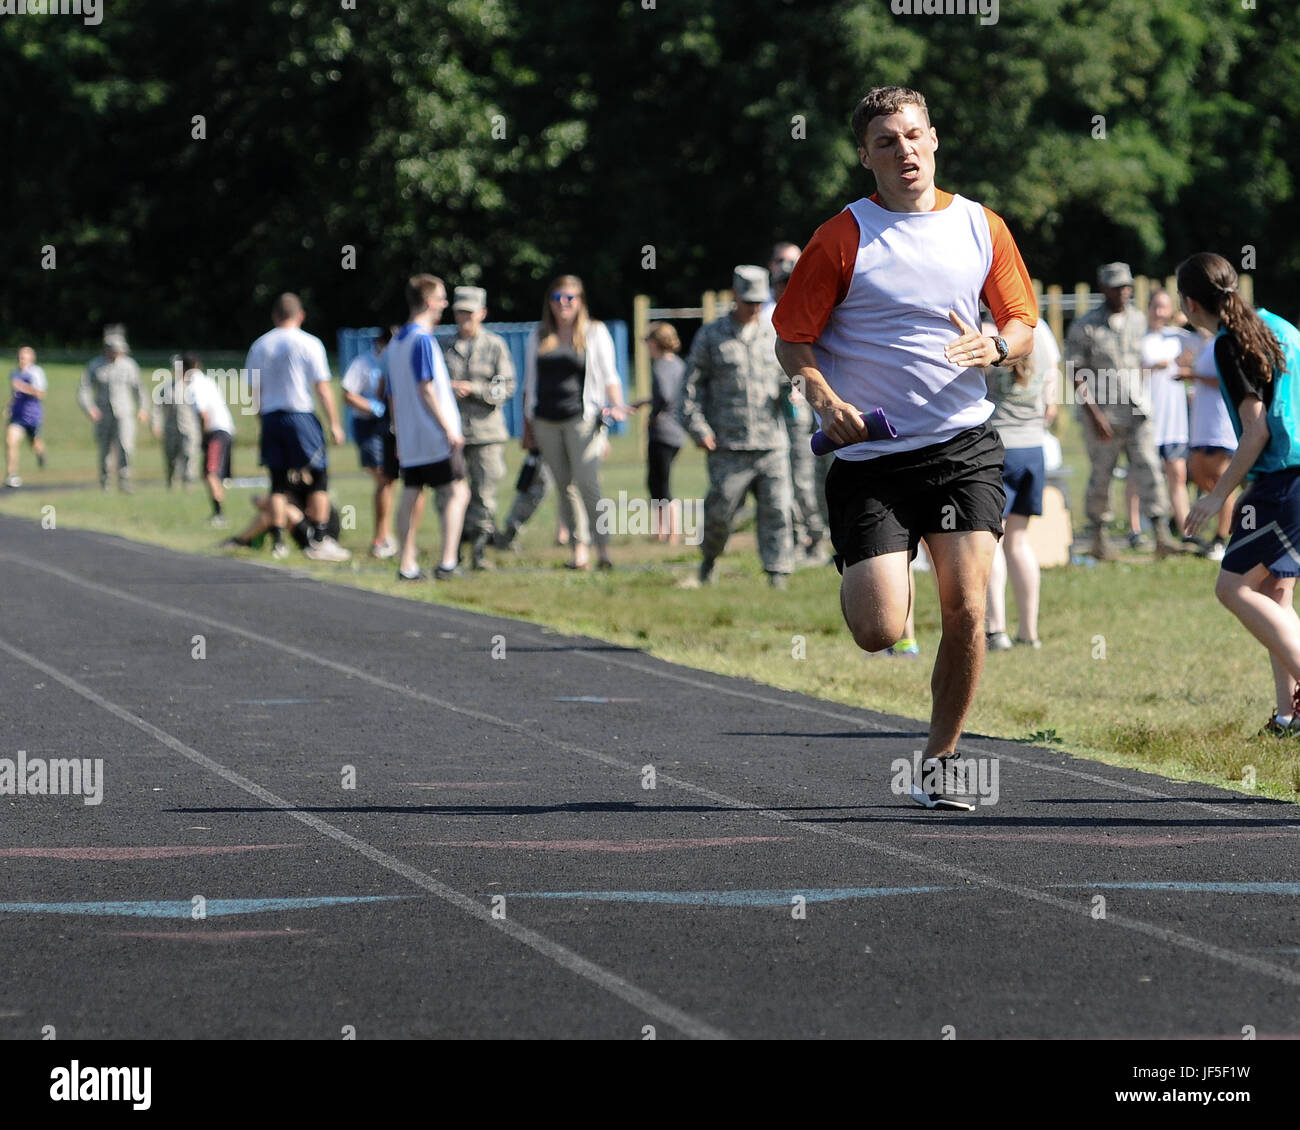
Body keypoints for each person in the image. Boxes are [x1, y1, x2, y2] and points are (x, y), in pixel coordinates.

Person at [773, 85, 1037, 809]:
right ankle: (892, 570)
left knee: (969, 608)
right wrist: (825, 398)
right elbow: (792, 338)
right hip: (871, 462)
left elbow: (1022, 321)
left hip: (962, 445)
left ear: (935, 139)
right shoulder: (841, 237)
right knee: (878, 628)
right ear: (866, 156)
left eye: (914, 135)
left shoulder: (982, 225)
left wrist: (997, 343)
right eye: (886, 141)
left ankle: (941, 760)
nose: (904, 150)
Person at [1179, 252, 1300, 738]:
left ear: (1190, 304)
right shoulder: (1278, 325)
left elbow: (1255, 433)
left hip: (1282, 482)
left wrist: (1215, 497)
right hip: (1293, 479)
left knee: (1232, 588)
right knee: (1275, 594)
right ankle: (1288, 718)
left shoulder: (1230, 346)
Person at [681, 265, 795, 589]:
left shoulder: (775, 333)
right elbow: (690, 389)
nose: (755, 308)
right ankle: (709, 560)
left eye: (760, 301)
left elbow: (790, 376)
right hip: (728, 445)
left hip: (772, 442)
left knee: (778, 510)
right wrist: (698, 429)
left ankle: (778, 574)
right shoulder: (711, 336)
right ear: (734, 296)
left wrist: (795, 390)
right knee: (720, 513)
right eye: (749, 301)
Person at [1067, 263, 1189, 560]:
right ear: (1104, 289)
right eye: (1117, 287)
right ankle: (1098, 537)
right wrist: (1093, 415)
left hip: (1137, 410)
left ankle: (1161, 534)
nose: (1124, 292)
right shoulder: (1086, 325)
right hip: (1104, 415)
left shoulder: (1138, 320)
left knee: (1149, 468)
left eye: (1127, 287)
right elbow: (1075, 372)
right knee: (1101, 476)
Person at [523, 274, 627, 570]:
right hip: (545, 420)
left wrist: (616, 405)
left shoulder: (595, 332)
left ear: (580, 302)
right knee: (564, 486)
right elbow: (529, 383)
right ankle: (578, 551)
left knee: (588, 483)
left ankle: (603, 549)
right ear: (550, 303)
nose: (563, 304)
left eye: (570, 298)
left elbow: (610, 376)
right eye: (557, 298)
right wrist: (527, 427)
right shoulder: (539, 335)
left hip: (582, 419)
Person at [244, 292, 350, 562]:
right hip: (300, 414)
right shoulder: (309, 343)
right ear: (300, 315)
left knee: (278, 483)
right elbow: (322, 387)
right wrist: (335, 423)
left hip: (271, 416)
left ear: (274, 316)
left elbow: (253, 390)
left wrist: (261, 417)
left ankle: (279, 541)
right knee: (318, 478)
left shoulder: (259, 345)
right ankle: (321, 538)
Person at [386, 273, 470, 581]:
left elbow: (392, 394)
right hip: (433, 434)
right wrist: (448, 428)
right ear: (429, 301)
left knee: (411, 492)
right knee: (458, 492)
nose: (446, 304)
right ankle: (448, 561)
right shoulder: (423, 339)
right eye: (442, 297)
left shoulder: (396, 343)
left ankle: (406, 563)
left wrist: (397, 433)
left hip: (410, 436)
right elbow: (426, 388)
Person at [984, 319, 1058, 650]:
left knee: (993, 543)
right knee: (1018, 541)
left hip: (999, 447)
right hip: (1033, 447)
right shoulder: (1041, 330)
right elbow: (1051, 390)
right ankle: (1030, 632)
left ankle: (996, 630)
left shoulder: (989, 334)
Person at [440, 286, 516, 569]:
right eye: (460, 311)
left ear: (482, 313)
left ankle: (480, 552)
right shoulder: (444, 345)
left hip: (486, 432)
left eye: (470, 312)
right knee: (450, 493)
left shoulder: (495, 345)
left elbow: (506, 387)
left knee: (484, 492)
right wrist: (448, 389)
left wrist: (475, 389)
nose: (464, 317)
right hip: (454, 432)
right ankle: (454, 550)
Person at [763, 242, 827, 562]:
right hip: (776, 418)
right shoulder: (762, 316)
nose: (782, 290)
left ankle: (821, 537)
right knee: (793, 480)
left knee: (816, 477)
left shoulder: (817, 309)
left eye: (788, 283)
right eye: (779, 284)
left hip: (817, 410)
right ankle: (803, 537)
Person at [1136, 289, 1196, 550]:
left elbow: (1206, 341)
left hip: (1174, 422)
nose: (1160, 312)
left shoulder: (1180, 338)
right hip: (1146, 418)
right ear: (1148, 308)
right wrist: (1154, 366)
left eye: (1165, 307)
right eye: (1156, 306)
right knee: (1140, 476)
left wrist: (1185, 322)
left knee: (1177, 474)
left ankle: (1185, 531)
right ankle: (1135, 530)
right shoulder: (1140, 338)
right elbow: (1130, 369)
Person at [341, 327, 398, 558]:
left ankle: (386, 534)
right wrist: (373, 407)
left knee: (389, 480)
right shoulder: (363, 363)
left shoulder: (396, 362)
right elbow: (347, 394)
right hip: (369, 425)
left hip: (389, 424)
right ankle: (381, 537)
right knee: (383, 477)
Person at [1185, 327, 1238, 561]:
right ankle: (1231, 519)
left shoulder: (1225, 342)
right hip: (1202, 426)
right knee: (1197, 475)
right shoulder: (1205, 343)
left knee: (1222, 484)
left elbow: (1227, 380)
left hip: (1219, 425)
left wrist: (1192, 376)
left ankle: (1222, 538)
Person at [78, 329, 148, 492]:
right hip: (103, 414)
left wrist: (143, 409)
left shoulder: (129, 365)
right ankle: (105, 482)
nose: (118, 353)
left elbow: (140, 389)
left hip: (124, 413)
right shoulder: (95, 365)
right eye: (115, 350)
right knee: (105, 449)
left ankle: (125, 481)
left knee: (126, 446)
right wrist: (90, 408)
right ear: (107, 349)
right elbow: (84, 389)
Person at [641, 322, 686, 541]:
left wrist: (653, 415)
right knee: (659, 481)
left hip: (662, 432)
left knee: (659, 483)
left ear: (655, 343)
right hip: (678, 432)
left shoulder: (659, 366)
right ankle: (660, 531)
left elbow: (666, 395)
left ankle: (671, 531)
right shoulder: (679, 364)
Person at [221, 469, 340, 552]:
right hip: (304, 527)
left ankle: (242, 540)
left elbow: (260, 501)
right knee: (270, 514)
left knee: (283, 510)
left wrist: (264, 501)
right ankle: (242, 540)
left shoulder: (312, 486)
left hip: (319, 534)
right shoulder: (293, 485)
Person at [186, 354, 236, 527]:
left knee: (210, 472)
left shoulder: (194, 385)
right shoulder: (207, 381)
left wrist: (203, 436)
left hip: (215, 432)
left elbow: (203, 413)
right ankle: (218, 512)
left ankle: (219, 514)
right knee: (210, 473)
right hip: (225, 429)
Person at [152, 354, 202, 489]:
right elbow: (157, 408)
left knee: (189, 456)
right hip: (171, 429)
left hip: (190, 428)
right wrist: (156, 425)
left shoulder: (194, 387)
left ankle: (188, 484)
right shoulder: (166, 388)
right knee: (171, 458)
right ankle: (171, 483)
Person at [6, 346, 47, 488]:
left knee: (34, 443)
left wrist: (23, 387)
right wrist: (9, 407)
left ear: (31, 358)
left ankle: (41, 453)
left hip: (32, 415)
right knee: (10, 441)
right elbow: (15, 394)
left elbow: (41, 393)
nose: (21, 359)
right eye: (19, 356)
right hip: (17, 416)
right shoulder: (14, 373)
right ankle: (12, 475)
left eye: (24, 357)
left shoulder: (36, 373)